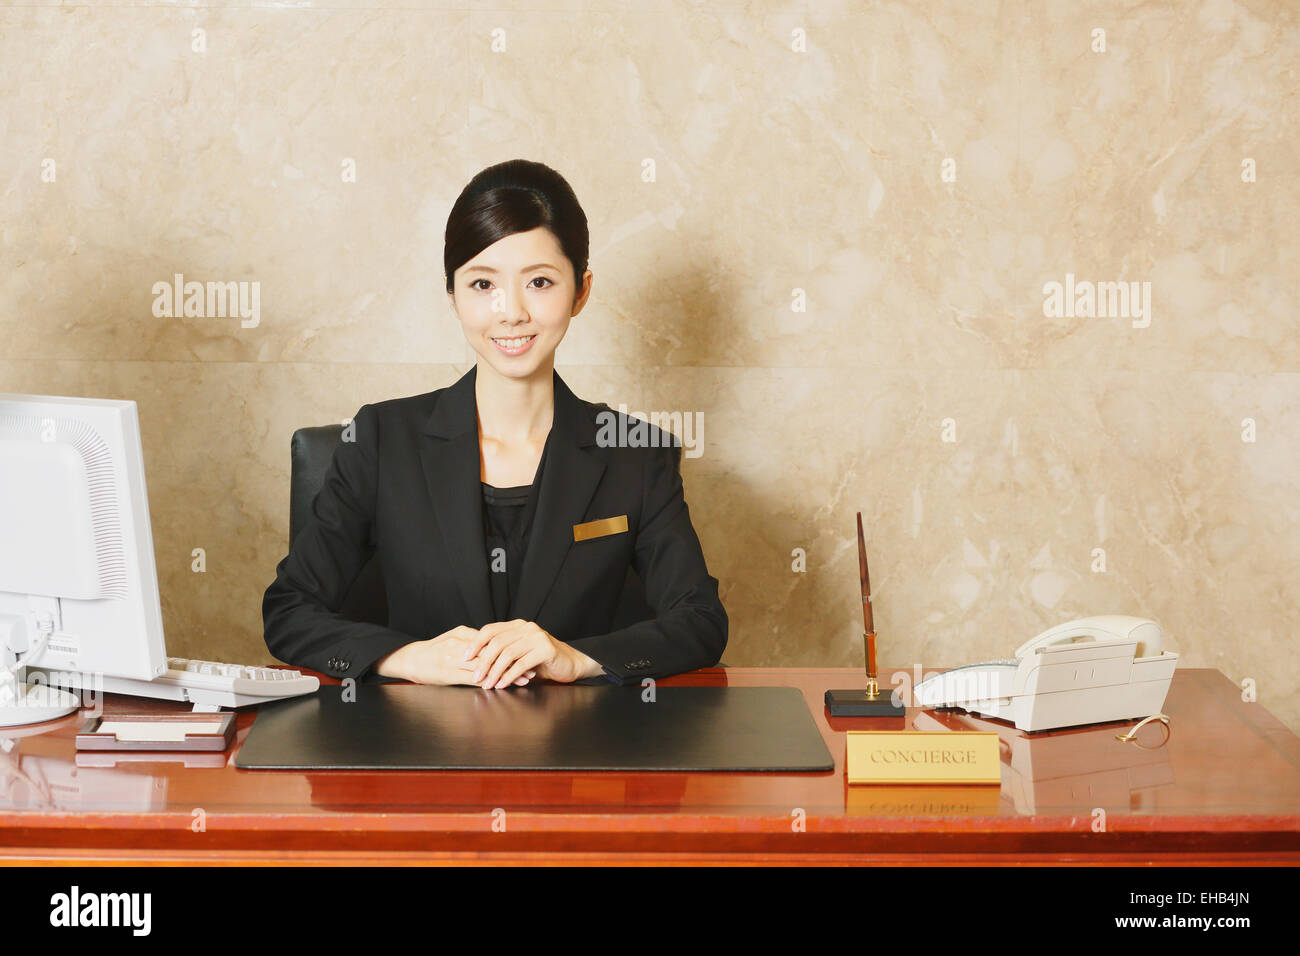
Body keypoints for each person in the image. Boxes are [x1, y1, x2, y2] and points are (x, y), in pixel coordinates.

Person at [262, 159, 727, 690]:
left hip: (579, 750)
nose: (510, 312)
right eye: (483, 283)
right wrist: (407, 658)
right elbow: (289, 609)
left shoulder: (635, 452)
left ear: (581, 291)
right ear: (453, 294)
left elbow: (700, 621)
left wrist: (574, 657)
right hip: (413, 751)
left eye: (540, 282)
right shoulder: (379, 439)